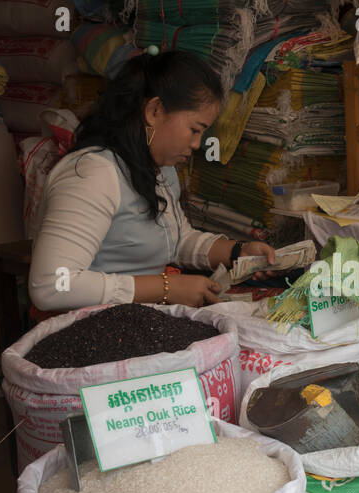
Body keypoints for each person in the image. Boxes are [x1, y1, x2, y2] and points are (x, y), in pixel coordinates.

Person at [29, 50, 274, 312]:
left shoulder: (158, 169)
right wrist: (166, 288)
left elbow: (174, 240)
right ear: (154, 110)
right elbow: (52, 285)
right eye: (194, 129)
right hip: (86, 327)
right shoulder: (93, 175)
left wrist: (237, 252)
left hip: (139, 318)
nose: (196, 144)